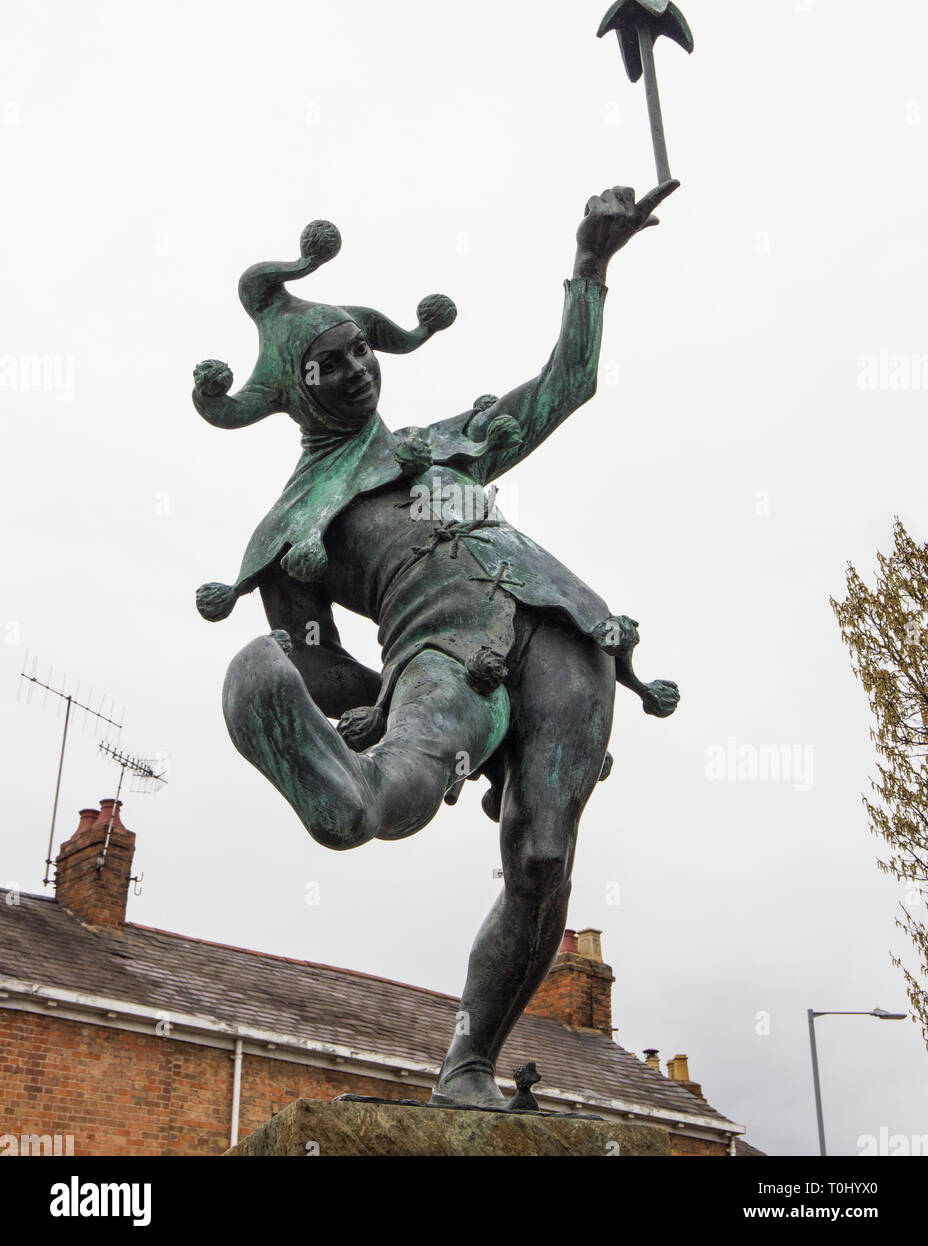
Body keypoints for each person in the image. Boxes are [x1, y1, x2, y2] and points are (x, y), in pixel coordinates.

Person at [193, 181, 680, 1108]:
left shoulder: (446, 446)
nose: (356, 371)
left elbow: (565, 388)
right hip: (439, 654)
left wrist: (590, 266)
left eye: (360, 352)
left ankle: (468, 1066)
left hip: (566, 635)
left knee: (541, 860)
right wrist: (372, 700)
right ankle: (348, 793)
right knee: (407, 775)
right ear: (297, 393)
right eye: (330, 366)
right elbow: (316, 658)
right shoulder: (295, 529)